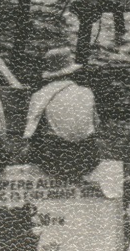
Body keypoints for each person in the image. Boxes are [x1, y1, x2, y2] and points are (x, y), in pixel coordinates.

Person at [23, 46, 100, 182]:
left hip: (57, 161)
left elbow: (31, 130)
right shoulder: (86, 92)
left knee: (39, 136)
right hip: (88, 158)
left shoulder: (40, 95)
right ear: (71, 72)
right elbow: (96, 124)